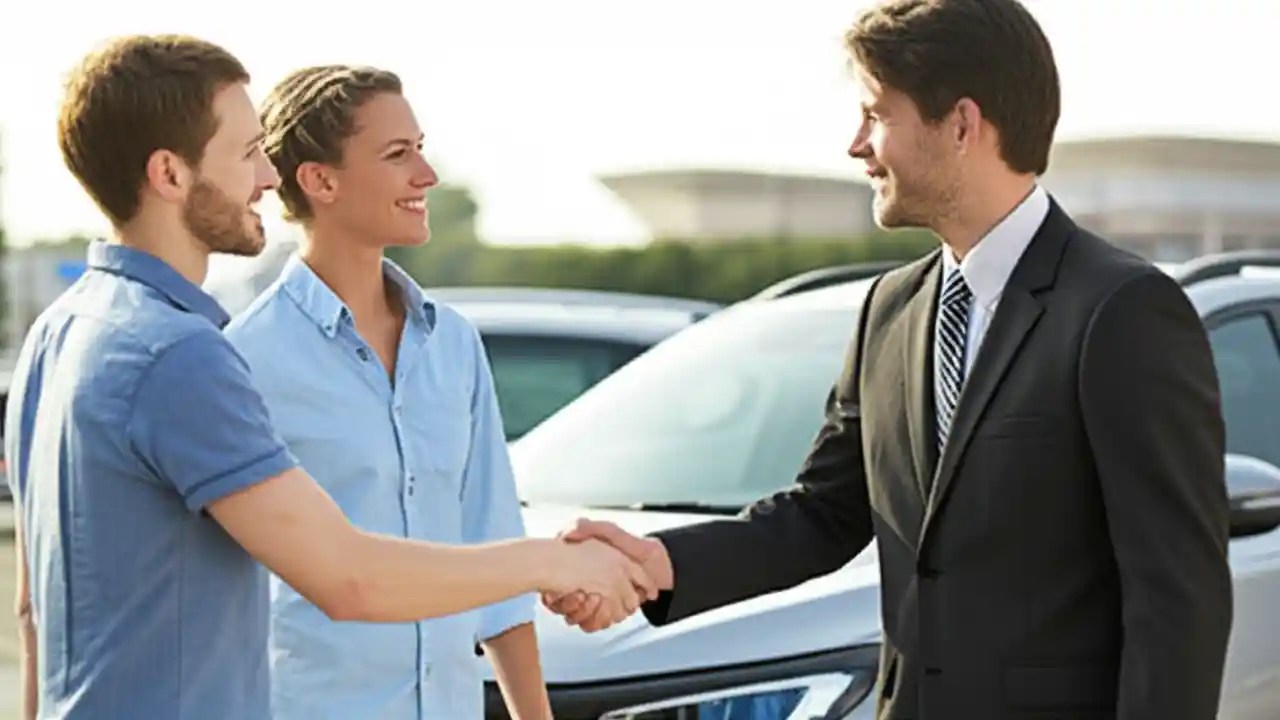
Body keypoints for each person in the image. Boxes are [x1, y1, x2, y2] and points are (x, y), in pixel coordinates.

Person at [546, 0, 1234, 717]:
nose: (856, 145)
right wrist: (660, 563)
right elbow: (823, 516)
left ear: (962, 126)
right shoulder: (889, 310)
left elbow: (1177, 596)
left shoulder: (1122, 311)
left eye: (876, 115)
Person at [3, 35, 653, 720]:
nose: (266, 177)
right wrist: (553, 562)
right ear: (170, 174)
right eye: (248, 153)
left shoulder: (63, 330)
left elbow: (31, 608)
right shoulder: (184, 354)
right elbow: (348, 578)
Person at [222, 65, 543, 720]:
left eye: (420, 149)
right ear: (320, 180)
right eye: (399, 155)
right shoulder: (244, 360)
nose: (426, 175)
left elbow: (496, 549)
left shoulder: (453, 346)